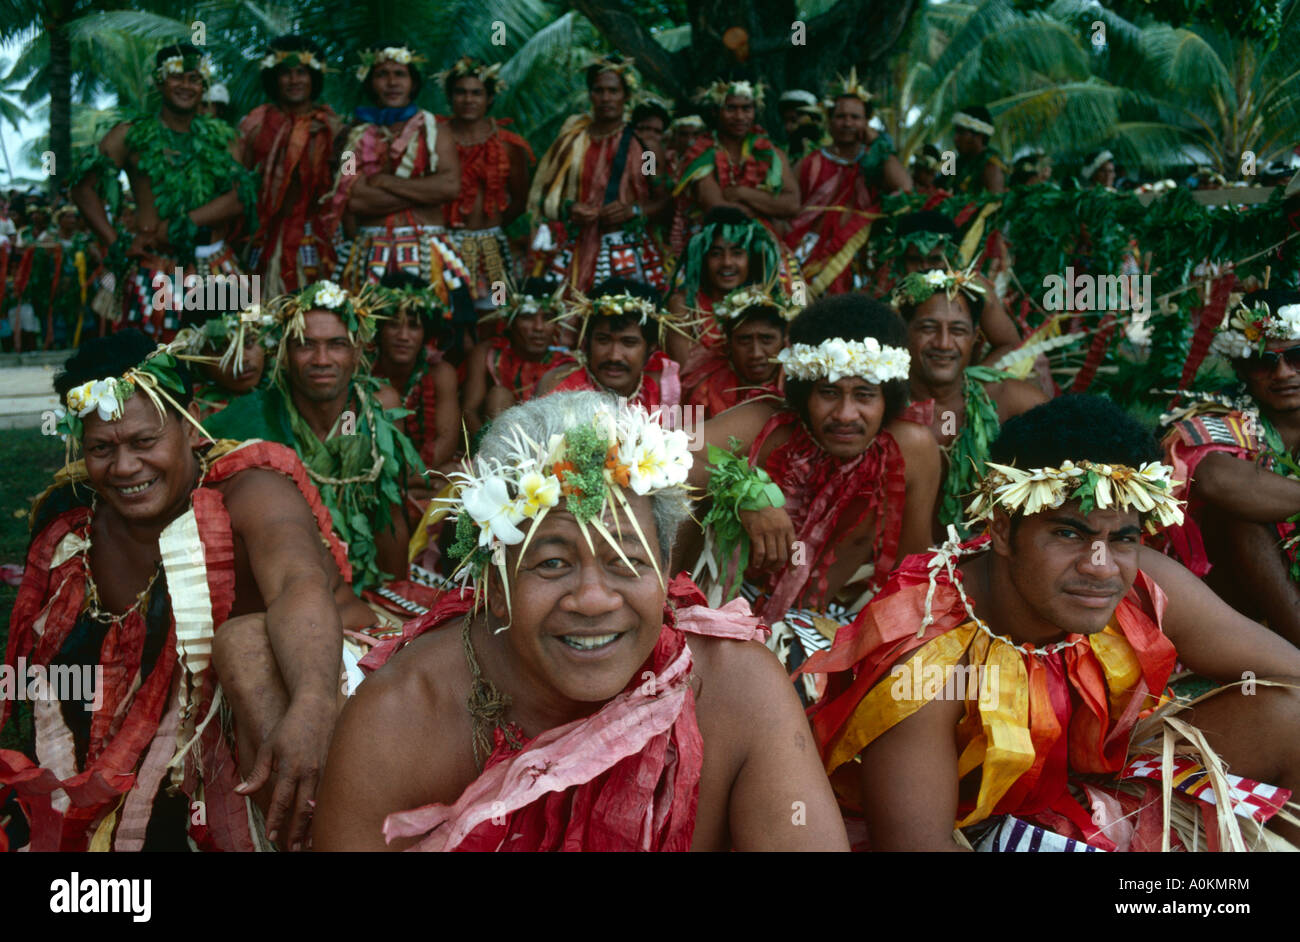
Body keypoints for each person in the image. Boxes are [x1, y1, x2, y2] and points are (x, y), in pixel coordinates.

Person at [312, 391, 849, 851]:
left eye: (627, 561)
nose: (594, 599)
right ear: (495, 589)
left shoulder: (737, 690)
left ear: (664, 573)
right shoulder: (402, 719)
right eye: (553, 562)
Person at [801, 395, 1300, 851]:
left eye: (1123, 537)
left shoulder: (1142, 582)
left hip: (1092, 794)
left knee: (1290, 714)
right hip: (975, 834)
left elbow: (1288, 668)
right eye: (1069, 532)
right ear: (1000, 529)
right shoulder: (926, 660)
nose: (1101, 565)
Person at [0, 331, 371, 851]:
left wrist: (312, 706)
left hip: (314, 685)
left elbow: (296, 584)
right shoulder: (73, 520)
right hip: (174, 750)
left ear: (189, 421)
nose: (125, 467)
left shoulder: (249, 488)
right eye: (102, 448)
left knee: (244, 645)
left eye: (144, 442)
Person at [687, 295, 941, 696]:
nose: (844, 414)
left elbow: (913, 572)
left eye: (864, 395)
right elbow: (663, 458)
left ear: (888, 398)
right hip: (726, 613)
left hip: (834, 626)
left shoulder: (911, 450)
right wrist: (747, 490)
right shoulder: (765, 425)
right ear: (804, 392)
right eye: (828, 392)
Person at [204, 280, 421, 592]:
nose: (321, 360)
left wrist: (397, 596)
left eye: (336, 344)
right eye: (306, 344)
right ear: (285, 352)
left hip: (367, 587)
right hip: (286, 589)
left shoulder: (376, 409)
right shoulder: (251, 418)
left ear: (357, 349)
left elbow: (391, 516)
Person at [70, 44, 256, 341]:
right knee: (153, 363)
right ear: (159, 81)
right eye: (176, 77)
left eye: (194, 79)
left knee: (228, 354)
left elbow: (238, 198)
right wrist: (116, 242)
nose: (185, 85)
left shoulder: (225, 138)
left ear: (204, 85)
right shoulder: (129, 134)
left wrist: (181, 224)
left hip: (217, 264)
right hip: (154, 267)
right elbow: (82, 189)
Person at [1159, 291, 1300, 646]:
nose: (1283, 373)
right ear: (1242, 368)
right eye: (1263, 362)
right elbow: (1213, 478)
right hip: (1232, 598)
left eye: (1297, 357)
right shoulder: (1222, 414)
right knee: (1242, 518)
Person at [325, 43, 472, 345]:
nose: (392, 82)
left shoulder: (436, 130)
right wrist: (424, 190)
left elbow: (449, 187)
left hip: (427, 251)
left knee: (441, 337)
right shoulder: (351, 136)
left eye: (400, 74)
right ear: (370, 82)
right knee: (366, 336)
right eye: (382, 75)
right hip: (369, 252)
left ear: (413, 82)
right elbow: (354, 198)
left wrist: (382, 181)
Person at [893, 267, 1046, 536]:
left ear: (975, 337)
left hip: (980, 563)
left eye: (958, 330)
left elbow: (1075, 460)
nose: (943, 343)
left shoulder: (1008, 399)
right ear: (905, 333)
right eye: (928, 328)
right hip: (887, 568)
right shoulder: (880, 407)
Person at [527, 55, 668, 293]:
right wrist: (571, 209)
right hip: (577, 248)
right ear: (590, 94)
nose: (606, 98)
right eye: (599, 90)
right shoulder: (571, 142)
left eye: (613, 91)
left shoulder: (644, 147)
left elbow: (664, 199)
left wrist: (632, 210)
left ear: (626, 95)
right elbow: (543, 200)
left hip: (629, 250)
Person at [786, 70, 911, 295]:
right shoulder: (809, 162)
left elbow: (905, 188)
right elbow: (789, 206)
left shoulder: (875, 161)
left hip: (859, 254)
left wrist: (877, 143)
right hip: (810, 255)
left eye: (855, 117)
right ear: (829, 120)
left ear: (866, 122)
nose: (847, 123)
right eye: (840, 116)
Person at [238, 36, 342, 295]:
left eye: (302, 73)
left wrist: (334, 151)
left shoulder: (334, 127)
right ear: (274, 77)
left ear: (314, 77)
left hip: (316, 236)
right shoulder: (255, 124)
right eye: (286, 73)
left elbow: (349, 178)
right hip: (262, 236)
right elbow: (237, 177)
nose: (294, 81)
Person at [438, 57, 534, 317]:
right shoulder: (432, 138)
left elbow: (521, 200)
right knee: (443, 315)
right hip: (442, 247)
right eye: (461, 92)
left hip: (492, 247)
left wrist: (492, 223)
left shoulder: (508, 146)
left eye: (477, 93)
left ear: (489, 98)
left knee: (496, 314)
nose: (468, 100)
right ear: (450, 96)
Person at [882, 211, 1021, 362]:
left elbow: (1010, 345)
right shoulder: (891, 303)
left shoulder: (973, 290)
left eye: (935, 260)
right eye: (914, 260)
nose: (925, 269)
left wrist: (972, 383)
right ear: (901, 263)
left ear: (952, 258)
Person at [673, 80, 800, 237]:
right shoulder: (699, 154)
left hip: (762, 244)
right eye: (731, 108)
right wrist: (766, 207)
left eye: (746, 108)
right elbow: (716, 208)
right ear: (715, 111)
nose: (739, 117)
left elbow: (792, 205)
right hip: (713, 242)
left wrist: (741, 193)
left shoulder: (770, 153)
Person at [536, 278, 683, 411]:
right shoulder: (557, 387)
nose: (614, 356)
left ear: (651, 347)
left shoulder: (664, 389)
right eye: (603, 340)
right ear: (586, 341)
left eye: (629, 343)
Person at [371, 272, 460, 478]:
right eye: (393, 324)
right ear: (379, 328)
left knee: (452, 476)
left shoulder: (441, 373)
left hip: (426, 470)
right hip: (375, 472)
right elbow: (350, 432)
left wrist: (412, 474)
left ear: (426, 332)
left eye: (413, 326)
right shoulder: (361, 371)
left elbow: (447, 441)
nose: (403, 336)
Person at [462, 277, 574, 433]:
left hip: (547, 446)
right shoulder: (488, 353)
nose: (539, 327)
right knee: (499, 396)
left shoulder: (567, 363)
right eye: (527, 317)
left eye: (547, 318)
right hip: (493, 447)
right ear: (511, 321)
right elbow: (469, 412)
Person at [684, 285, 791, 415]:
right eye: (744, 340)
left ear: (784, 341)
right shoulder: (705, 389)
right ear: (728, 344)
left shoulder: (799, 383)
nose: (756, 354)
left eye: (766, 339)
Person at [186, 305, 275, 418]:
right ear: (198, 357)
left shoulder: (285, 392)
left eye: (248, 342)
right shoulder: (192, 412)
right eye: (222, 350)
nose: (241, 360)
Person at [950, 106, 1005, 195]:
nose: (956, 138)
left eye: (961, 132)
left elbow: (994, 204)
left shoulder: (991, 166)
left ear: (979, 135)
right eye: (956, 132)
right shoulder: (958, 163)